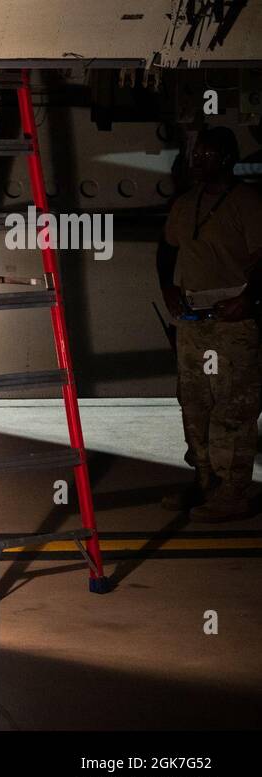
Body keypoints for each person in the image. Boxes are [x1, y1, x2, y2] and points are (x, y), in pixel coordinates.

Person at [157, 127, 262, 522]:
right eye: (194, 155)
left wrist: (249, 298)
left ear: (226, 158)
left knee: (233, 405)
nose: (197, 161)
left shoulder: (247, 202)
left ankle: (233, 490)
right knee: (195, 403)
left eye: (206, 155)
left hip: (232, 320)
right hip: (192, 318)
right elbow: (166, 249)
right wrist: (168, 289)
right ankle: (204, 482)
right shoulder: (186, 204)